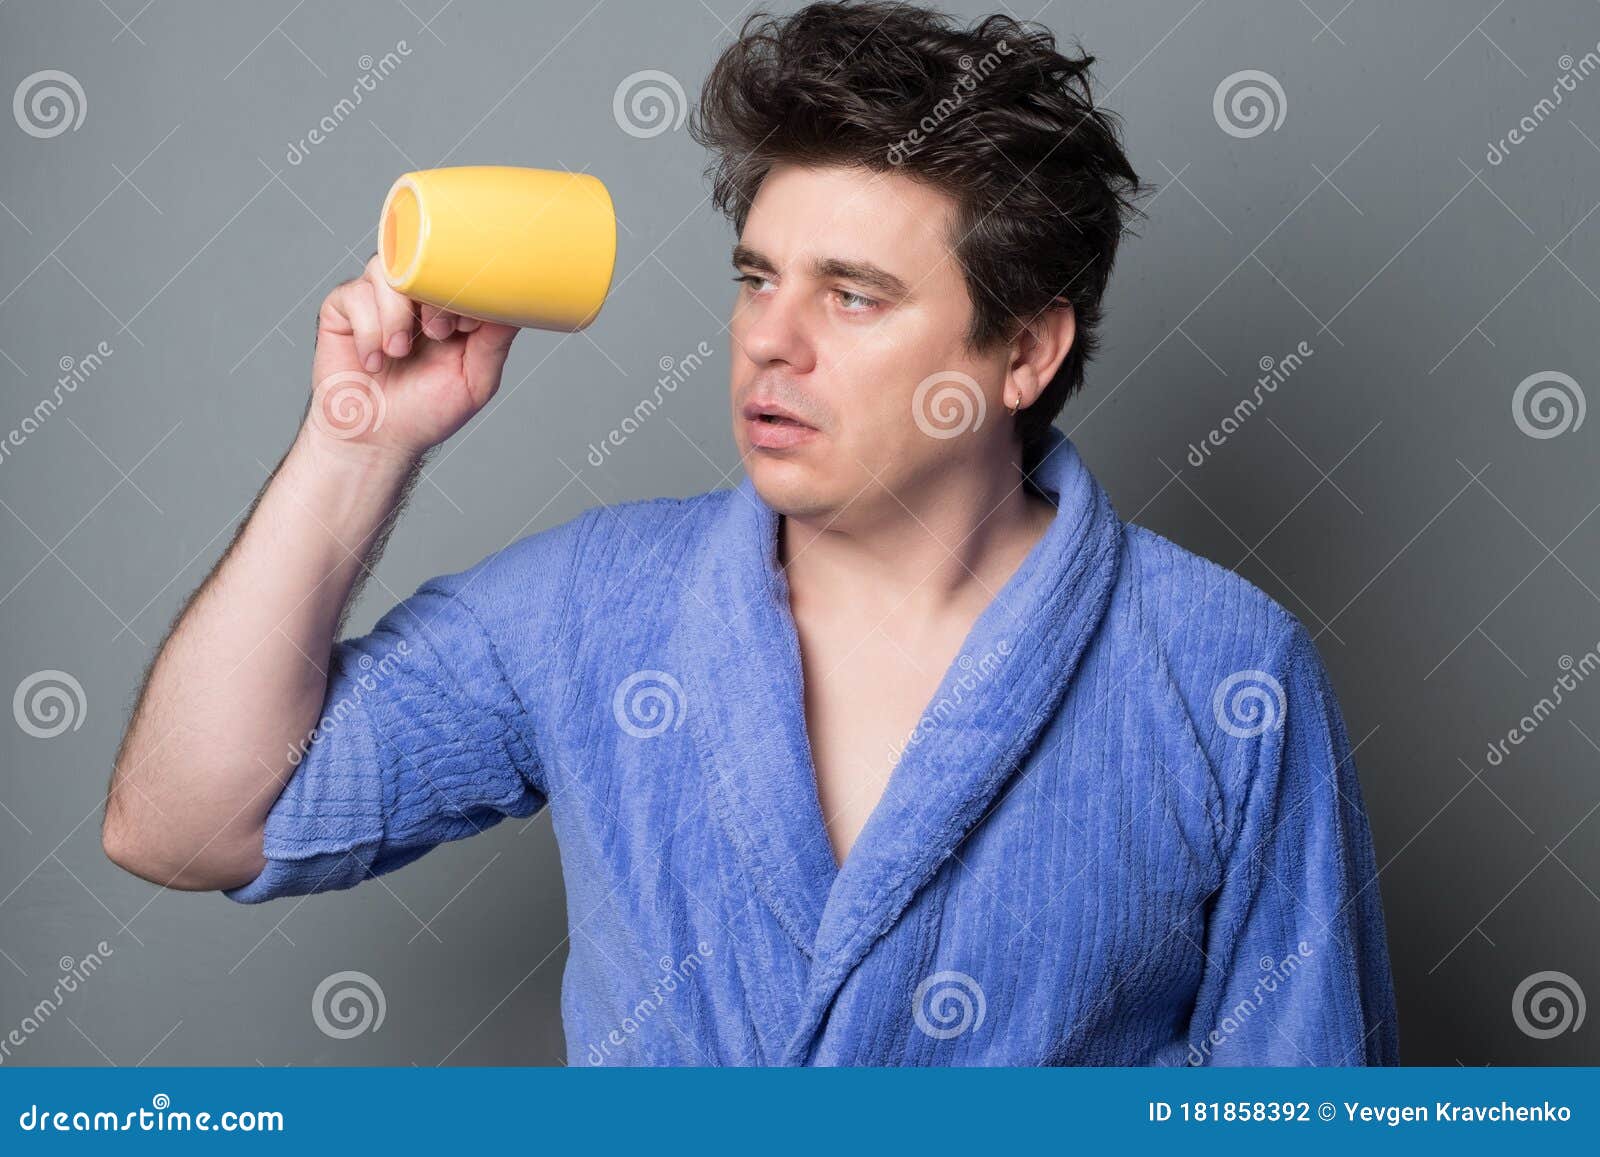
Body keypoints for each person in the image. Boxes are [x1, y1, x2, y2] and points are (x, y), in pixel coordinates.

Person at [101, 0, 1397, 1065]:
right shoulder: (594, 606)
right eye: (758, 276)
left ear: (1023, 349)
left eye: (854, 293)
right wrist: (359, 437)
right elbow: (188, 822)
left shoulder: (1227, 670)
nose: (771, 338)